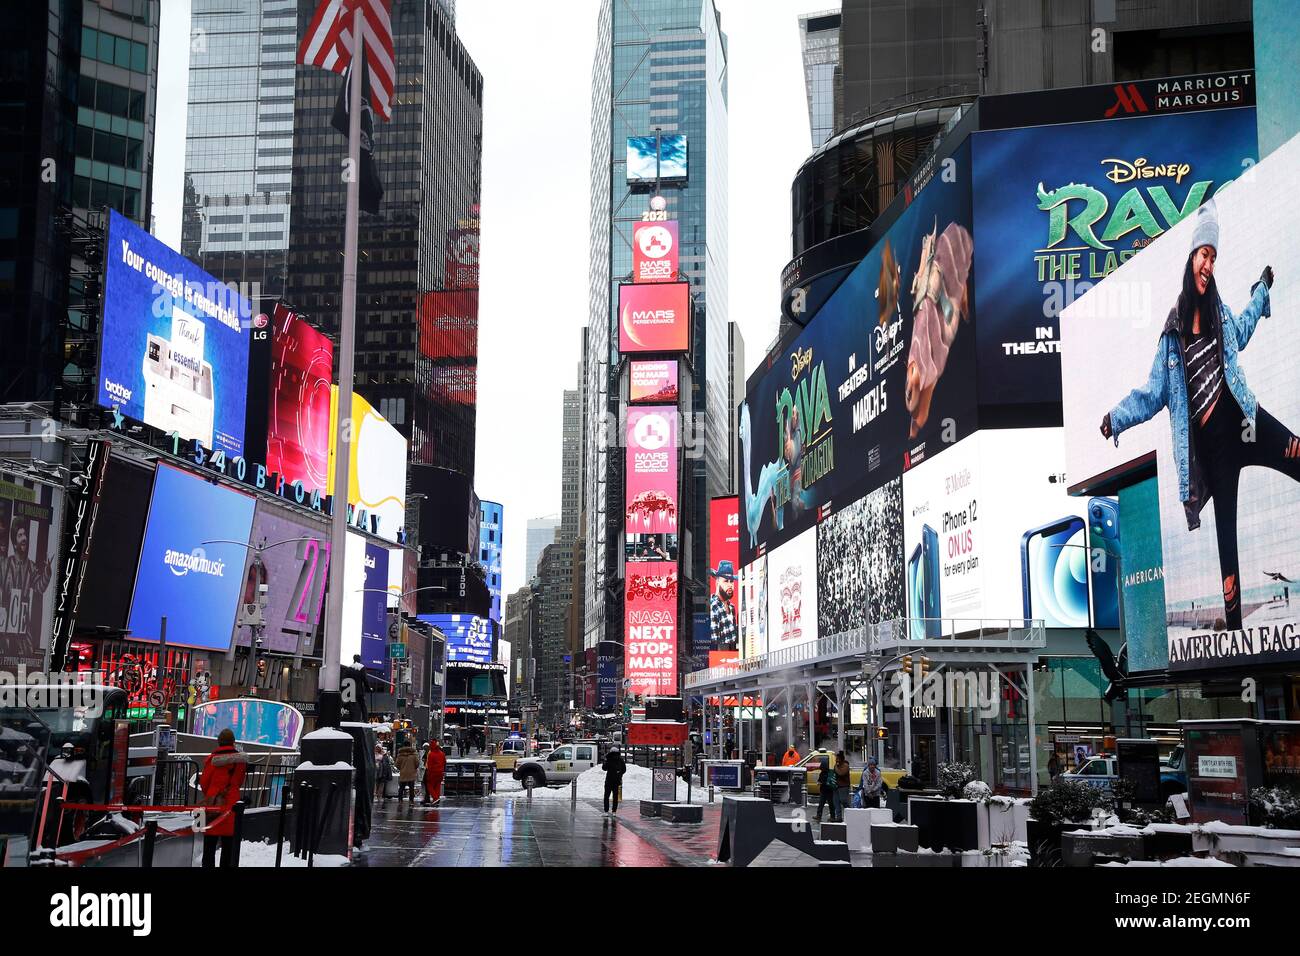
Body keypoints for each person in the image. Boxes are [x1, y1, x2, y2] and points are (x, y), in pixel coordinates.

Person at [1102, 199, 1285, 631]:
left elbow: (1240, 331)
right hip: (1213, 451)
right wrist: (1116, 417)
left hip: (1244, 419)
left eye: (1214, 258)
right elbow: (1151, 394)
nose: (1209, 264)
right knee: (1227, 542)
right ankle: (1236, 632)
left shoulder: (1220, 314)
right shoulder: (1172, 332)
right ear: (1191, 259)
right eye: (1205, 255)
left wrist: (1261, 293)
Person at [199, 729, 248, 868]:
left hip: (213, 803)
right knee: (229, 845)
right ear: (233, 742)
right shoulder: (240, 761)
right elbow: (239, 781)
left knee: (209, 845)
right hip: (232, 803)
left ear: (219, 742)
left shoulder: (211, 760)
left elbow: (204, 782)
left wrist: (212, 793)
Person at [709, 560, 738, 651]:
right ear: (717, 582)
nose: (730, 585)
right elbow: (714, 639)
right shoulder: (713, 605)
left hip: (733, 655)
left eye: (731, 581)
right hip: (719, 655)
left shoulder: (732, 607)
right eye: (726, 581)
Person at [602, 746, 627, 814]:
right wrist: (619, 774)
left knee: (606, 796)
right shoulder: (620, 760)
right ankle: (614, 811)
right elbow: (624, 769)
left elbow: (604, 768)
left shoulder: (609, 759)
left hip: (609, 780)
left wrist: (605, 761)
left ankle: (606, 811)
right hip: (617, 780)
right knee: (615, 796)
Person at [423, 740, 446, 806]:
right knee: (437, 786)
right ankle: (436, 799)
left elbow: (429, 765)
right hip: (440, 772)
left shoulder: (431, 754)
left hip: (433, 772)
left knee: (429, 785)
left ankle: (435, 798)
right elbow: (444, 762)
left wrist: (428, 774)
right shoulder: (442, 753)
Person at [833, 752, 851, 823]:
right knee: (836, 802)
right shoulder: (836, 766)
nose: (836, 760)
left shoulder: (845, 765)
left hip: (843, 786)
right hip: (836, 786)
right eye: (836, 759)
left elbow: (841, 773)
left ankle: (850, 813)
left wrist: (836, 767)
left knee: (843, 800)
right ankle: (839, 817)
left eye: (838, 758)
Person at [815, 756, 834, 823]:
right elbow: (820, 780)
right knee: (823, 804)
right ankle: (819, 815)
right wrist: (819, 782)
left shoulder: (826, 773)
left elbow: (825, 781)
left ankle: (831, 816)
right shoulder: (825, 773)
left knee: (828, 804)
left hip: (827, 791)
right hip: (826, 791)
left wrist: (820, 782)